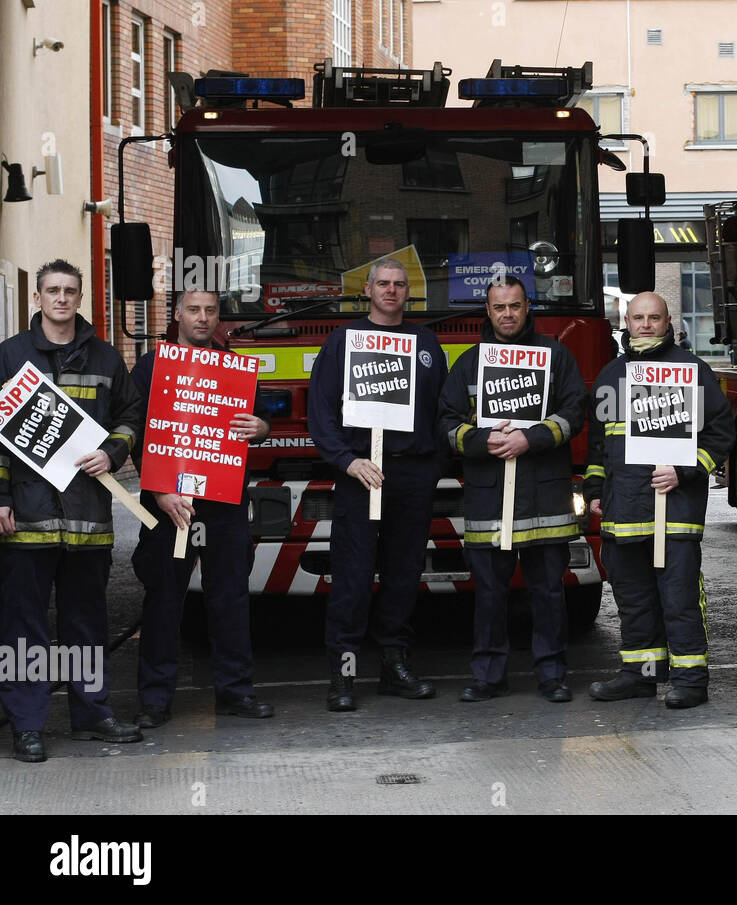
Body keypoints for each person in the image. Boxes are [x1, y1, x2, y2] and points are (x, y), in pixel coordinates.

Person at [0, 259, 145, 762]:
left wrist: (114, 451)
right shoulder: (9, 357)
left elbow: (131, 415)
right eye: (52, 290)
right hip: (28, 516)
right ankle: (27, 723)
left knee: (86, 622)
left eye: (70, 291)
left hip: (88, 518)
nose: (61, 298)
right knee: (25, 626)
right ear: (37, 298)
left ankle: (91, 714)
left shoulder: (106, 358)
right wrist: (0, 498)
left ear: (81, 298)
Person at [129, 289, 274, 727]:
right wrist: (158, 492)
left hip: (224, 504)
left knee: (229, 599)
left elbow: (261, 424)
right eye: (193, 309)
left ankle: (235, 691)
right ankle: (154, 701)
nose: (202, 318)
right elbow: (133, 430)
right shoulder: (153, 366)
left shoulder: (235, 369)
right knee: (163, 599)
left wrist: (261, 427)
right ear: (176, 315)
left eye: (210, 311)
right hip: (168, 503)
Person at [439, 276, 587, 703]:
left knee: (547, 593)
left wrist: (532, 438)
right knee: (488, 595)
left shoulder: (556, 356)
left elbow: (575, 411)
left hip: (544, 497)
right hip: (490, 495)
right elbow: (446, 424)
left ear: (528, 308)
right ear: (487, 311)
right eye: (499, 307)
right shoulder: (469, 363)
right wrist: (482, 440)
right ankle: (488, 675)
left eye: (515, 306)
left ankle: (552, 675)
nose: (507, 314)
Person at [307, 258, 447, 711]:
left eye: (399, 284)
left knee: (404, 575)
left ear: (409, 292)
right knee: (352, 576)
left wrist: (431, 468)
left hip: (412, 476)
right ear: (367, 290)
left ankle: (394, 666)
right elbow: (321, 412)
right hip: (360, 475)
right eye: (383, 284)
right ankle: (343, 675)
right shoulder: (344, 342)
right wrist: (348, 462)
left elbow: (441, 414)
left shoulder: (426, 343)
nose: (391, 290)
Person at [584, 292, 735, 709]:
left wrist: (684, 470)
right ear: (625, 321)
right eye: (638, 317)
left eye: (654, 317)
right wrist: (595, 493)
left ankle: (690, 681)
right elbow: (599, 449)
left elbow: (721, 434)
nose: (646, 324)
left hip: (675, 515)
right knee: (633, 602)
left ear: (668, 321)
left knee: (679, 600)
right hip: (624, 513)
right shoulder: (610, 377)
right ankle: (640, 674)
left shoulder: (692, 371)